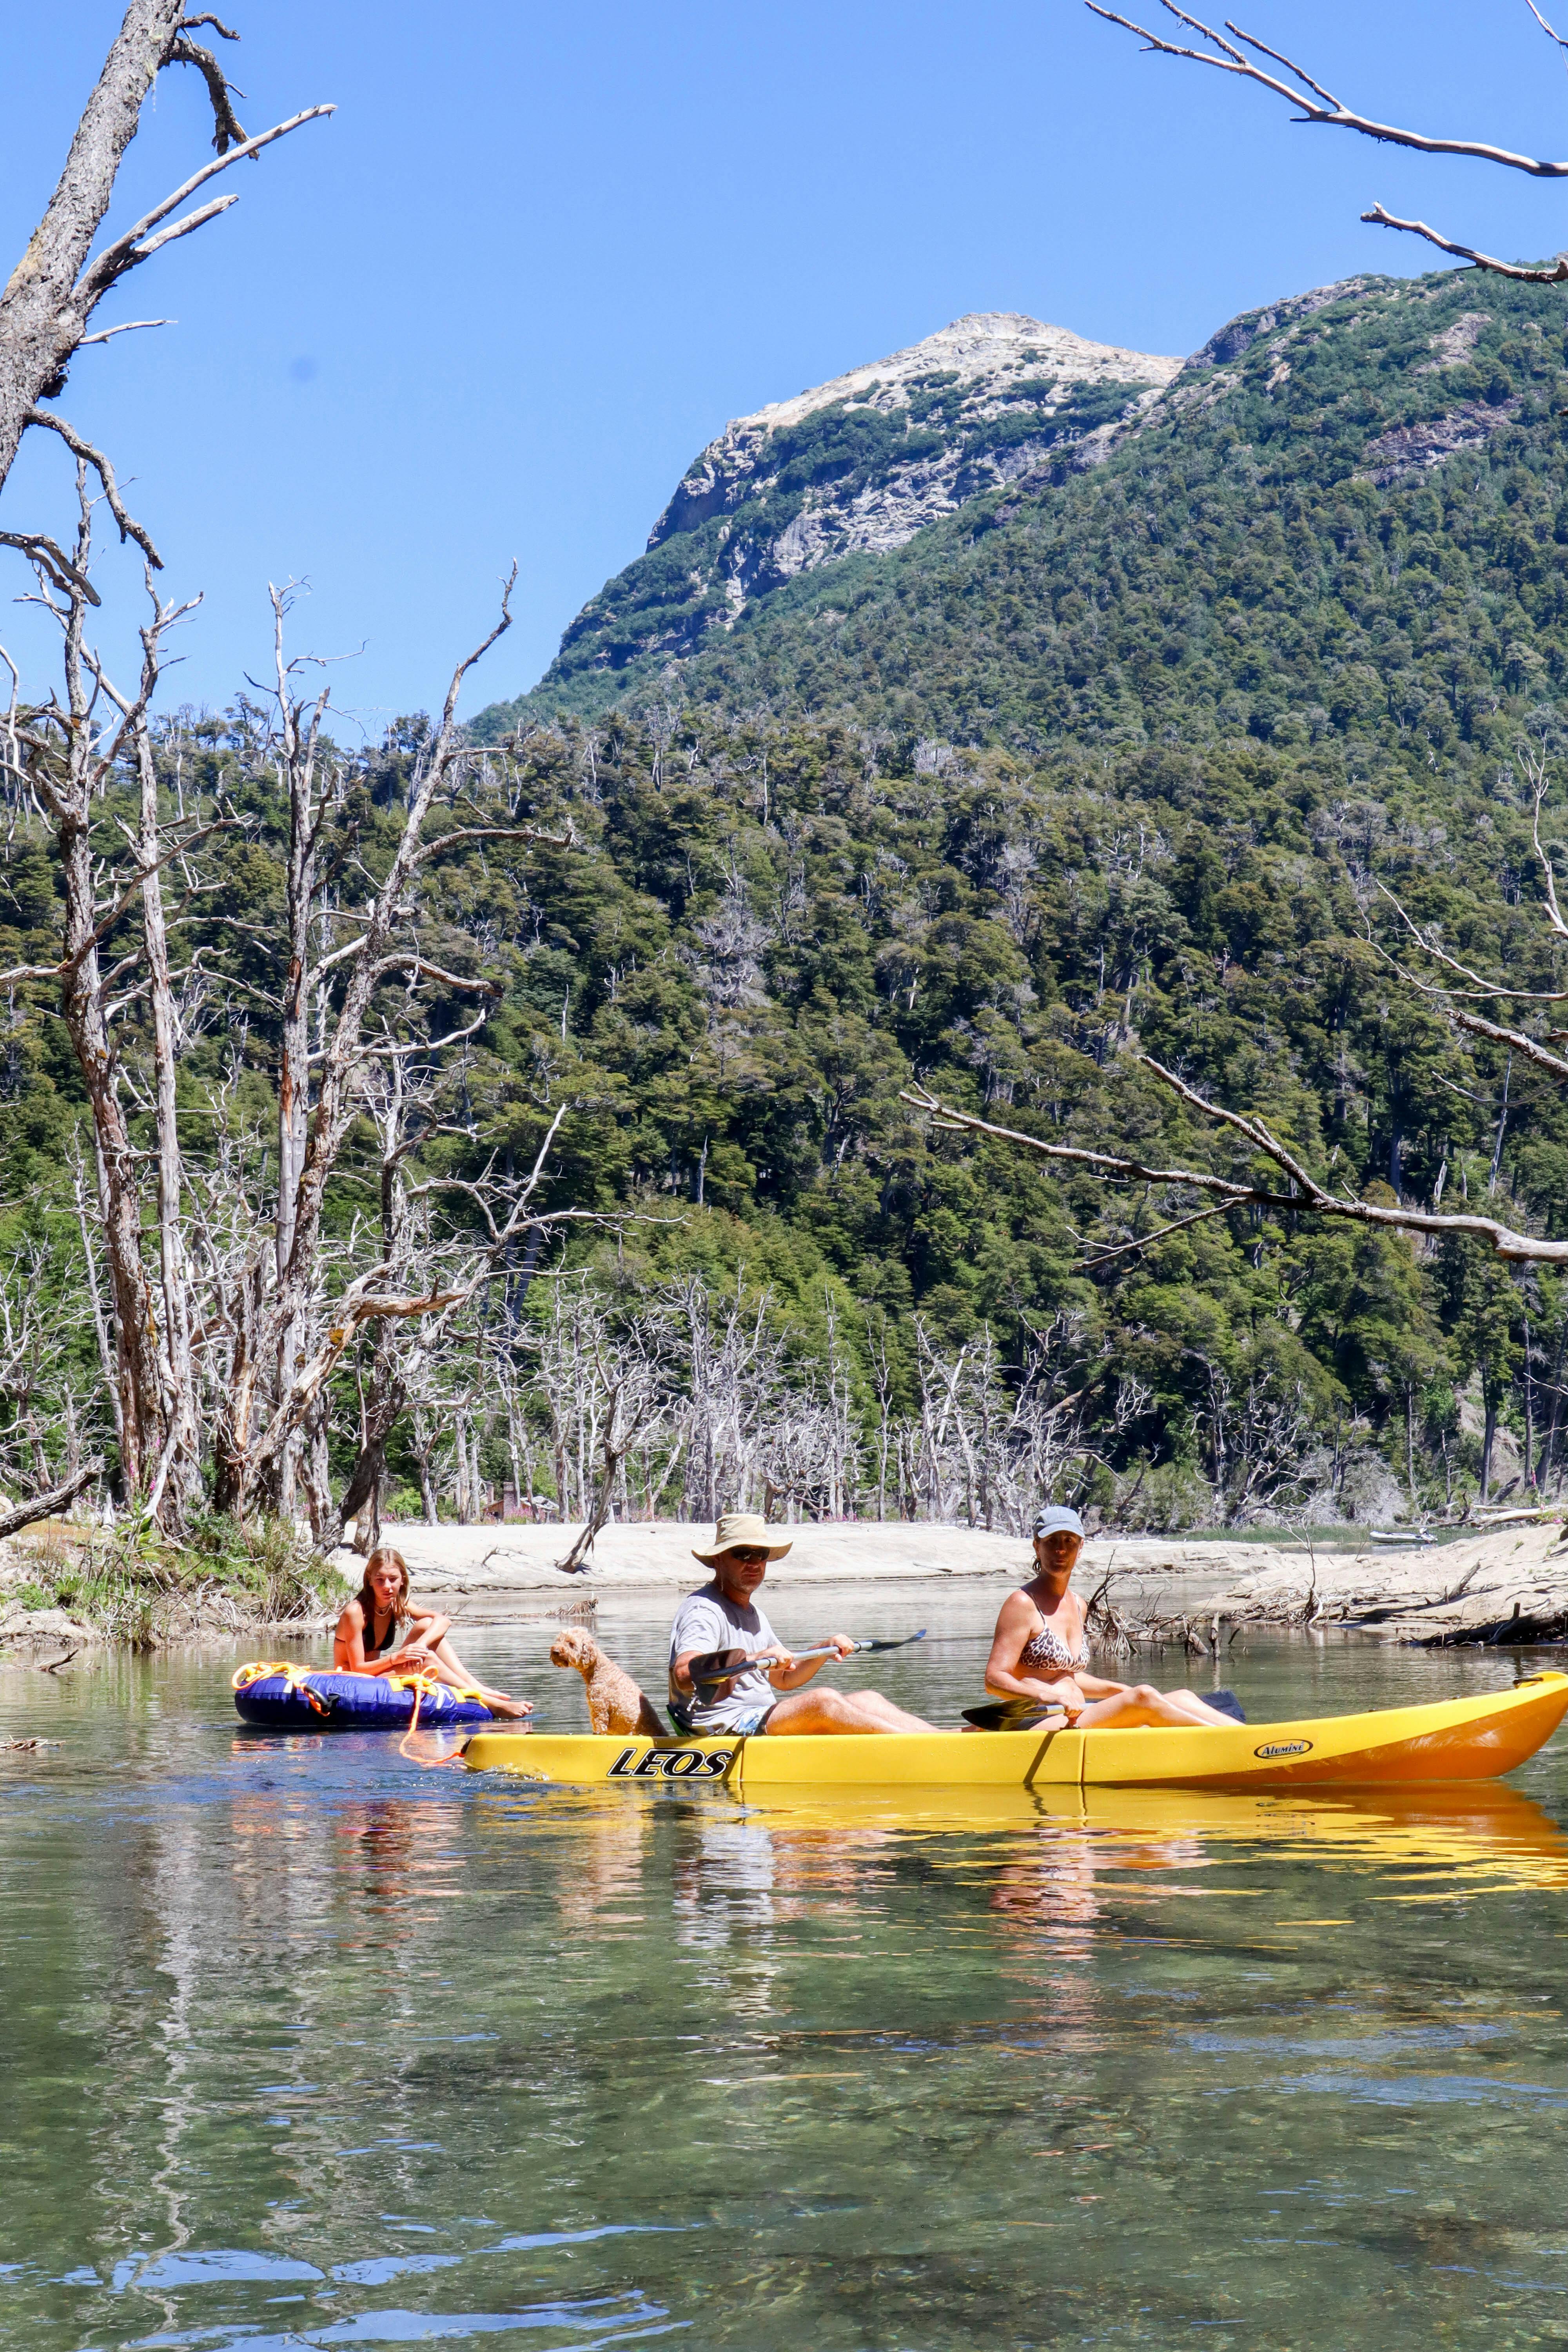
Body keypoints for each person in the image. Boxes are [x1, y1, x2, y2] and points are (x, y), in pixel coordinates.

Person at [669, 1512, 935, 1737]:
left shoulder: (754, 1614)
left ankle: (948, 1738)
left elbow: (784, 1678)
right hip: (723, 1728)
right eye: (742, 1554)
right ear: (718, 1560)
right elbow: (684, 1674)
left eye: (760, 1555)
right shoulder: (703, 1609)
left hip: (759, 1718)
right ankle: (923, 1749)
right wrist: (756, 1657)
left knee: (869, 1700)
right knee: (824, 1701)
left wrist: (825, 1648)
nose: (754, 1564)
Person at [985, 1505, 1240, 1730]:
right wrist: (1047, 1696)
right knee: (1142, 1697)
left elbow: (1065, 1676)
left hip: (1075, 1713)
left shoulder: (1078, 1605)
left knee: (1181, 1696)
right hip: (1038, 1718)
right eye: (1052, 1541)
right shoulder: (1022, 1604)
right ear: (1037, 1546)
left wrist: (1118, 1691)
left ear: (1080, 1547)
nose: (1061, 1550)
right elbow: (995, 1680)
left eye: (1069, 1541)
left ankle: (1249, 1737)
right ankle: (1238, 1746)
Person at [334, 1545, 532, 1720]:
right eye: (380, 1580)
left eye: (393, 1579)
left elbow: (442, 1621)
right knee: (427, 1659)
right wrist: (397, 1658)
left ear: (403, 1580)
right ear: (369, 1580)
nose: (387, 1587)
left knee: (426, 1624)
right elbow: (358, 1670)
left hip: (378, 1675)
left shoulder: (396, 1604)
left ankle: (474, 1684)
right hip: (356, 1684)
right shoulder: (356, 1612)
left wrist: (421, 1645)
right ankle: (490, 1703)